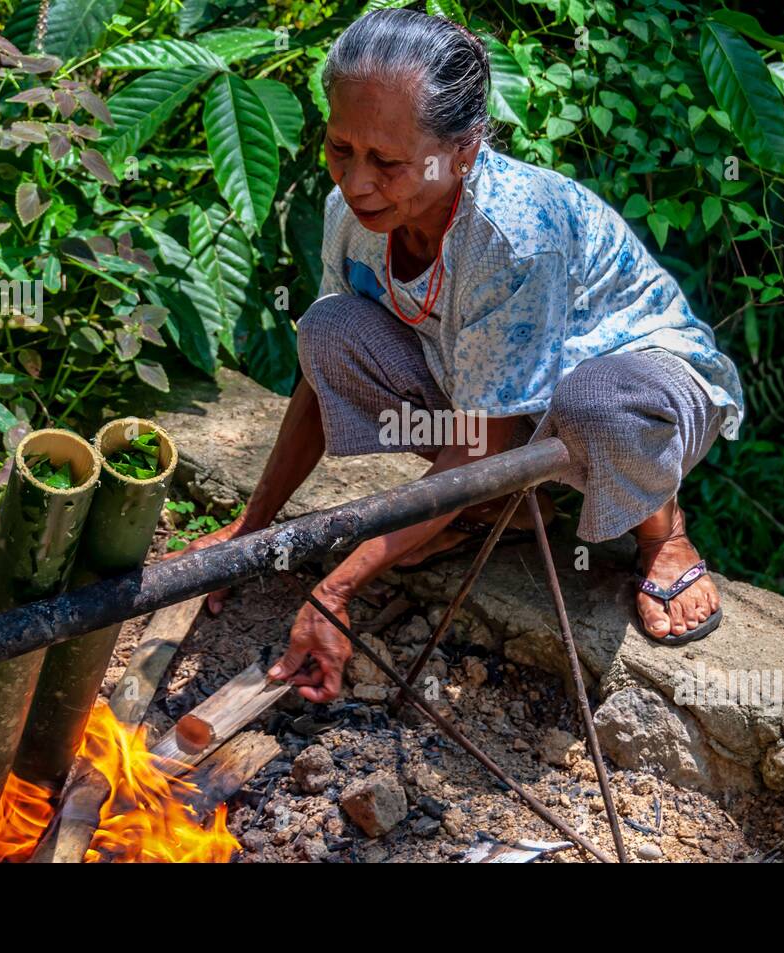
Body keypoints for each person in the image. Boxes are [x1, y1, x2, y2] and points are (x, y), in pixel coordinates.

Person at [174, 9, 744, 702]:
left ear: (463, 150)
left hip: (637, 383)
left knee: (593, 403)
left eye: (386, 162)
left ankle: (661, 532)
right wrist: (248, 532)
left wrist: (337, 587)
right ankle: (479, 513)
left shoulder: (513, 236)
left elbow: (482, 439)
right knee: (325, 329)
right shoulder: (350, 217)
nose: (357, 183)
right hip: (495, 393)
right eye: (339, 150)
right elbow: (324, 380)